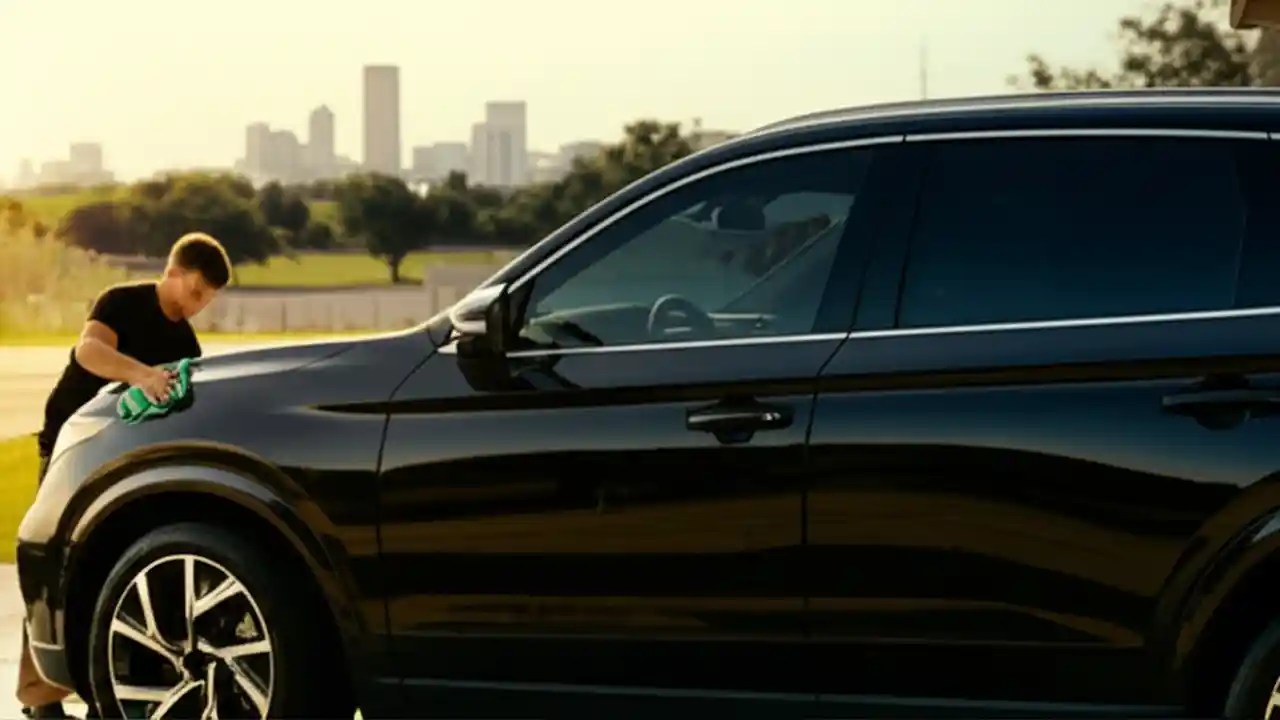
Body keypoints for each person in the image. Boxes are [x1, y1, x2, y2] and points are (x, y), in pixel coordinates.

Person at [18, 232, 232, 719]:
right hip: (70, 447)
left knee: (120, 569)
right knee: (60, 567)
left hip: (125, 460)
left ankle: (109, 687)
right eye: (196, 292)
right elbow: (89, 353)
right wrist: (142, 375)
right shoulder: (122, 302)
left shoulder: (186, 341)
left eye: (208, 299)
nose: (199, 305)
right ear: (173, 273)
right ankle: (39, 699)